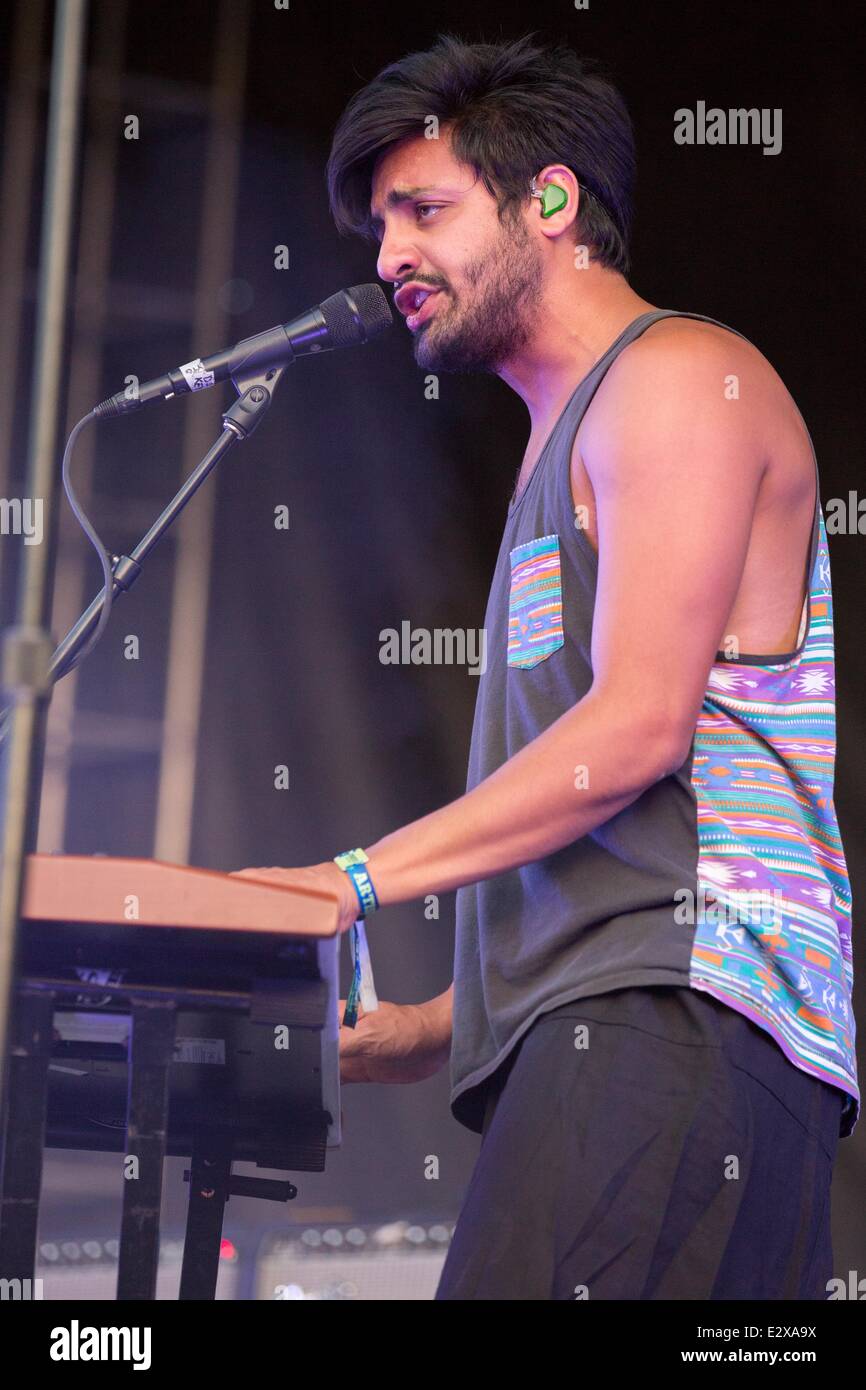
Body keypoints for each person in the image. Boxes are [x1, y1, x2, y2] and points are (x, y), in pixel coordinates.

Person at [233, 34, 858, 1299]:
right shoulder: (556, 446)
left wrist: (347, 880)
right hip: (655, 1025)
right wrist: (417, 1033)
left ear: (552, 202)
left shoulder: (677, 380)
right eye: (376, 227)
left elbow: (637, 735)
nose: (389, 254)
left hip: (684, 1017)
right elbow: (615, 867)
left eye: (423, 209)